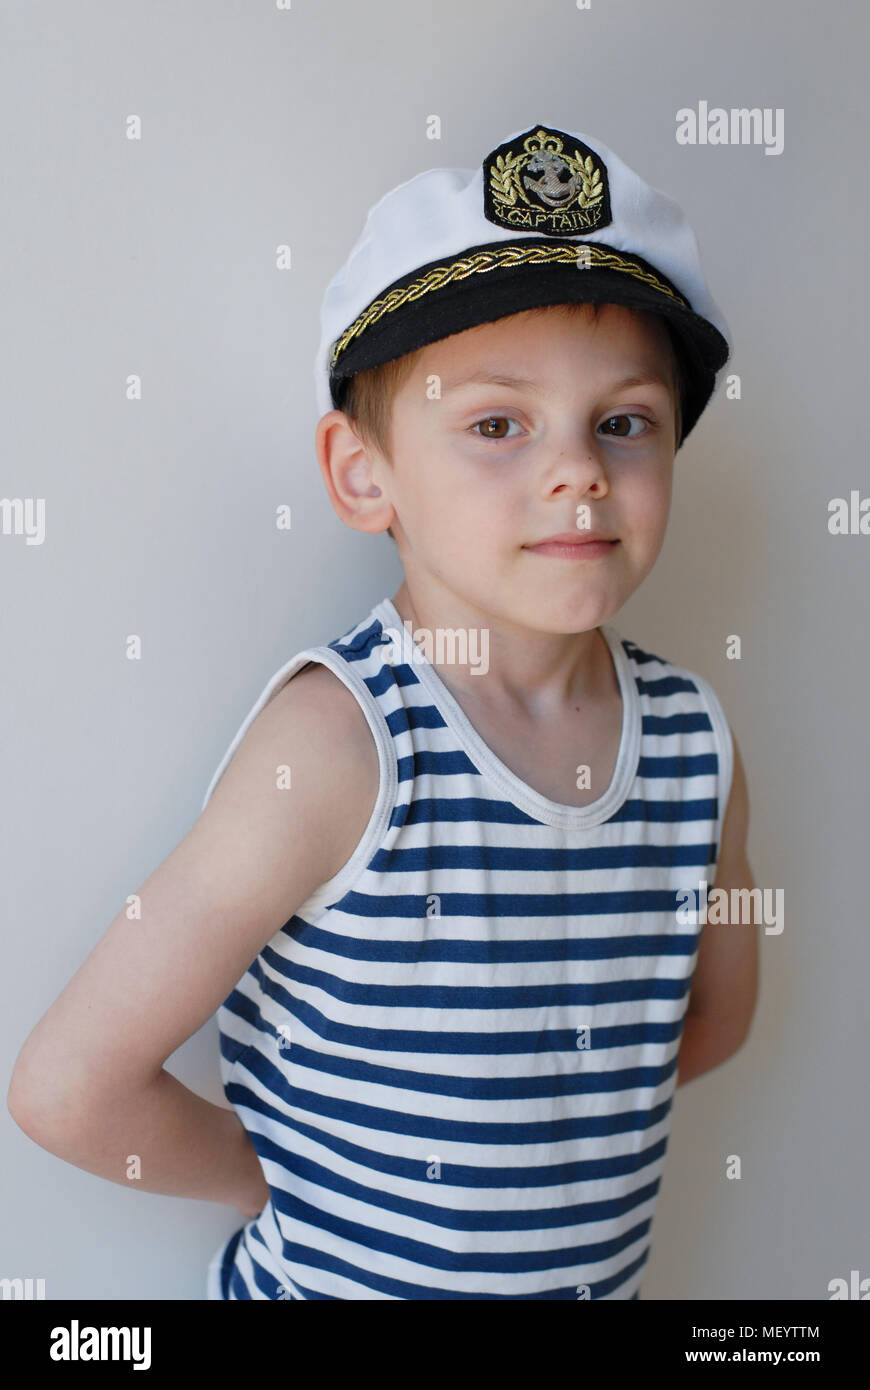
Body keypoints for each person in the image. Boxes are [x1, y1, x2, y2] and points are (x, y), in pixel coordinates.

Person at [8, 121, 758, 1300]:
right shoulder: (342, 743)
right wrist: (300, 1185)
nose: (580, 471)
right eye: (498, 425)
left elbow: (705, 1022)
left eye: (624, 421)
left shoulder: (694, 745)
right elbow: (70, 1086)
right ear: (365, 473)